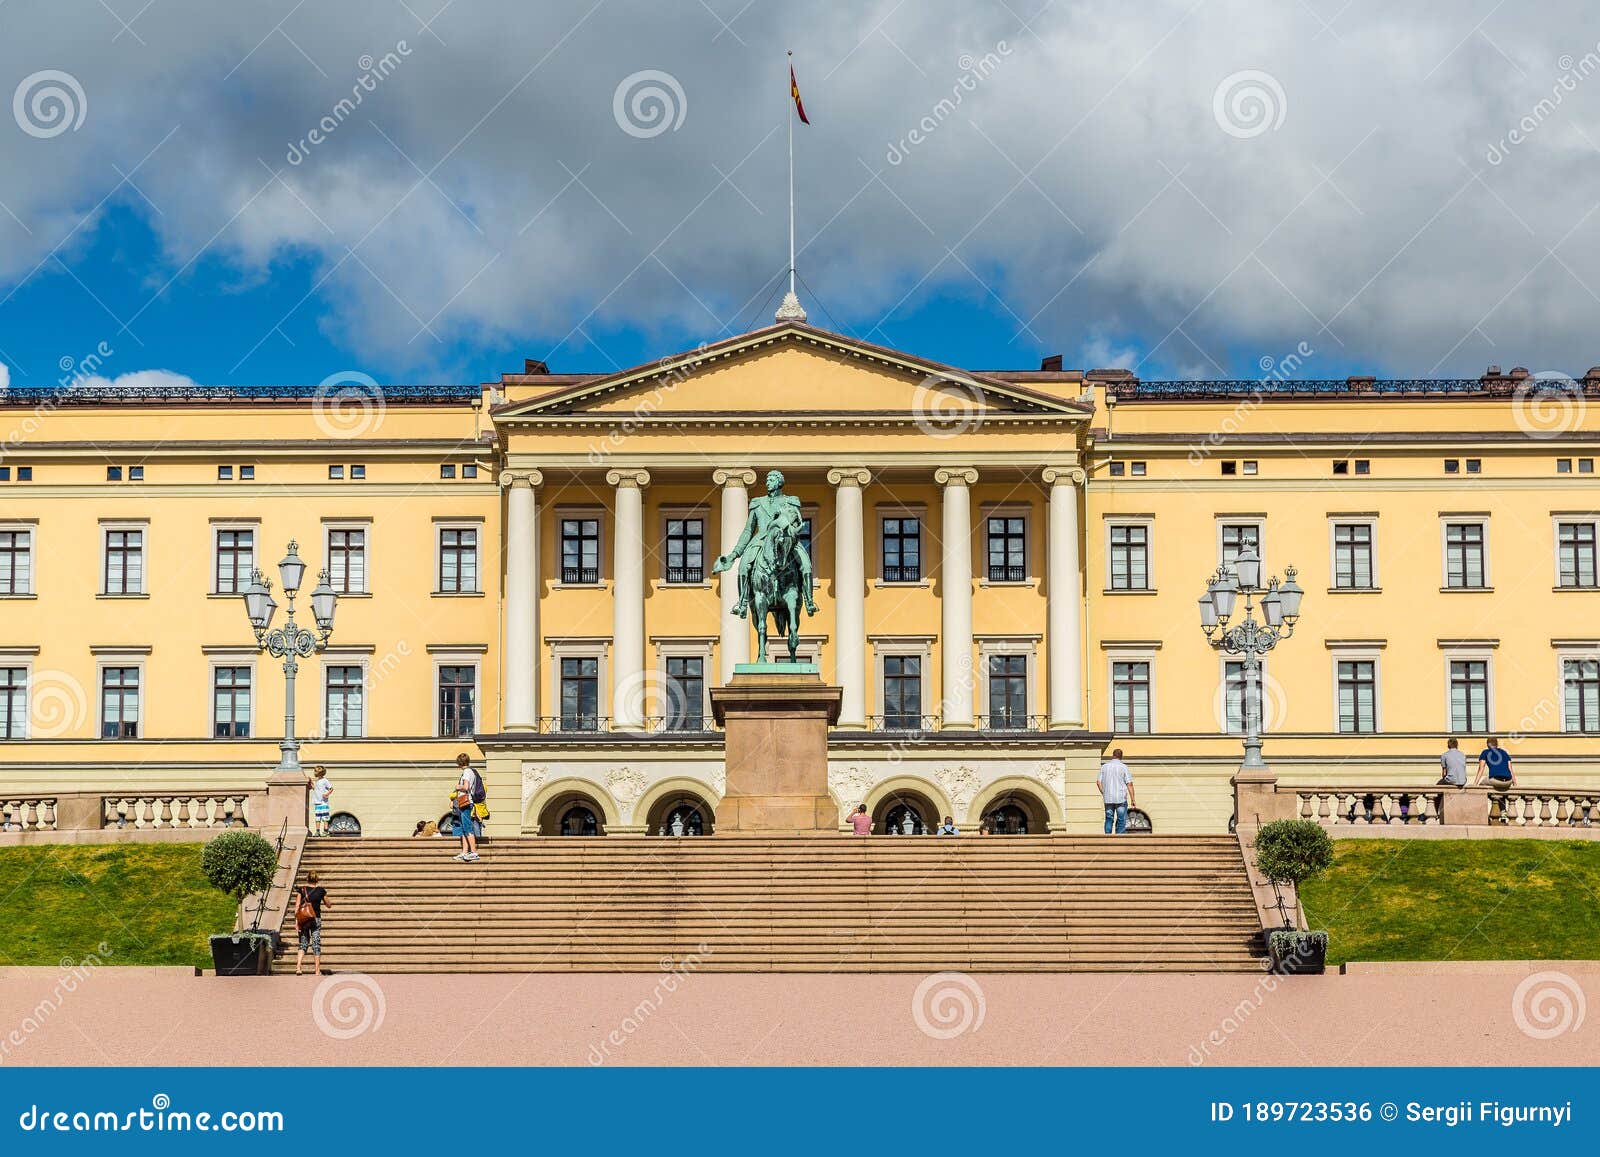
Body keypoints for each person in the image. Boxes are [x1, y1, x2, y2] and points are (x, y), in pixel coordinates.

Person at [294, 871, 330, 976]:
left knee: (303, 943)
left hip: (303, 920)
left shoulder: (302, 890)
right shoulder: (321, 891)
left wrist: (296, 922)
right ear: (317, 879)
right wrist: (323, 896)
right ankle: (317, 970)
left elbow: (297, 907)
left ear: (307, 879)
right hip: (315, 920)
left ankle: (298, 967)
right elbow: (329, 905)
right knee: (316, 944)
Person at [452, 754, 483, 862]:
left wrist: (458, 787)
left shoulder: (467, 772)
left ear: (459, 763)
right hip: (463, 802)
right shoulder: (469, 772)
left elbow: (466, 787)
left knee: (467, 827)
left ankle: (474, 852)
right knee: (464, 828)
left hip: (465, 802)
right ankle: (465, 851)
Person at [1098, 747, 1135, 835]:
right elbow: (1129, 784)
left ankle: (1107, 838)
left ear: (1113, 756)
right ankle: (1119, 840)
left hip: (1108, 799)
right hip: (1120, 798)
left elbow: (1098, 782)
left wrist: (1104, 793)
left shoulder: (1104, 767)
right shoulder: (1124, 767)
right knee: (1121, 819)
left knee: (1109, 818)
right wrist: (1133, 799)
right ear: (1121, 757)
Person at [1476, 737, 1515, 821]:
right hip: (1508, 781)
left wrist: (1475, 784)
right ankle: (1503, 812)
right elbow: (1511, 769)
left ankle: (1483, 813)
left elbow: (1481, 769)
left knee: (1481, 787)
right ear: (1496, 744)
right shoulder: (1504, 752)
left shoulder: (1485, 752)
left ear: (1488, 744)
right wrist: (1515, 784)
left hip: (1496, 780)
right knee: (1501, 792)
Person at [307, 765, 332, 837]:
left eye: (315, 771)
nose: (314, 772)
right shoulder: (318, 781)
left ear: (320, 772)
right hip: (317, 802)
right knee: (317, 818)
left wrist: (327, 794)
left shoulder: (325, 780)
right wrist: (311, 782)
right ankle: (317, 831)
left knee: (325, 818)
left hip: (323, 803)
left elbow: (331, 788)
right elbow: (316, 790)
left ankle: (326, 831)